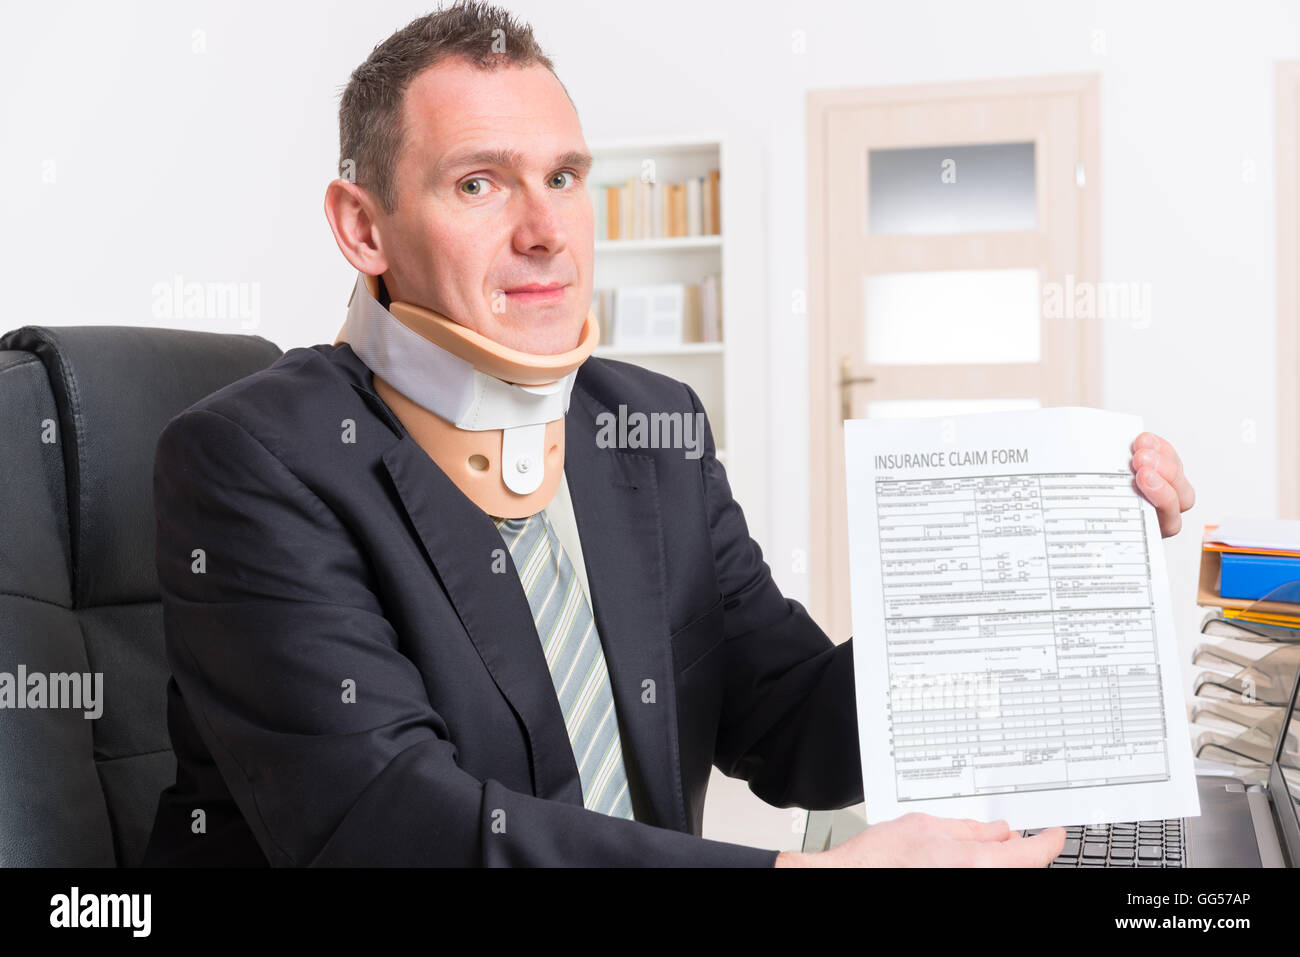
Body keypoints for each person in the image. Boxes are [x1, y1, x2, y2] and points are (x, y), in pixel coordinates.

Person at [142, 0, 1196, 867]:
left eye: (562, 176)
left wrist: (1052, 583)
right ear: (363, 226)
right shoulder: (252, 459)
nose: (546, 229)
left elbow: (787, 722)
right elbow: (386, 826)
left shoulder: (645, 426)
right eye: (479, 182)